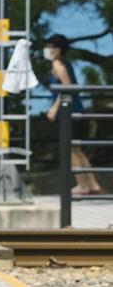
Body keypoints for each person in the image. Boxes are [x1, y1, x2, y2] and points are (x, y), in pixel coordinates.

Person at [43, 34, 103, 196]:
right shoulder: (64, 63)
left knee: (71, 149)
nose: (47, 50)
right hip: (76, 109)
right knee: (77, 149)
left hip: (67, 111)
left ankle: (82, 185)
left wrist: (54, 108)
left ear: (57, 49)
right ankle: (92, 184)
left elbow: (66, 87)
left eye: (49, 46)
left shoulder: (57, 64)